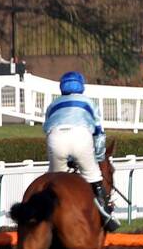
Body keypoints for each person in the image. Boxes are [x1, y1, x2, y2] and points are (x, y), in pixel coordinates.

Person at [43, 71, 119, 232]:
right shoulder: (89, 103)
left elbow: (49, 130)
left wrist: (67, 157)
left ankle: (46, 218)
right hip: (81, 138)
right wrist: (98, 157)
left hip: (56, 140)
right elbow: (99, 133)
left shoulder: (53, 105)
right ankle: (106, 216)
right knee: (94, 177)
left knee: (54, 181)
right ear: (81, 87)